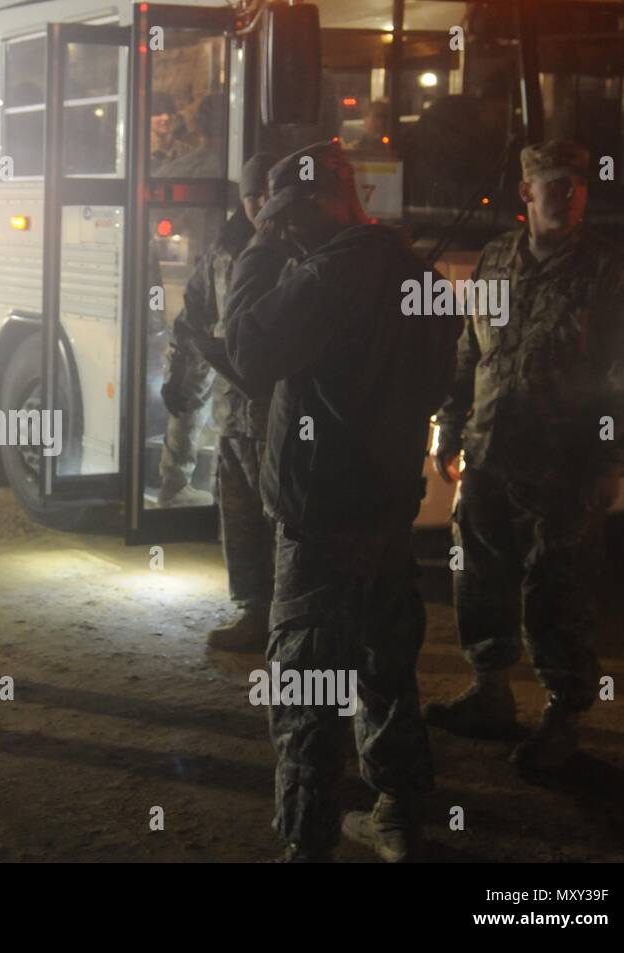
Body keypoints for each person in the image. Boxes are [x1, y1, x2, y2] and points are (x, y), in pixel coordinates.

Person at [181, 140, 462, 861]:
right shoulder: (409, 270)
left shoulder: (327, 275)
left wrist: (260, 250)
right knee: (386, 669)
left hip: (321, 520)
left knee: (308, 686)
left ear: (312, 205)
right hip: (388, 513)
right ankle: (398, 812)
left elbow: (248, 348)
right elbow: (438, 379)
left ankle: (306, 844)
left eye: (284, 215)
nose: (279, 227)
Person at [427, 140, 624, 774]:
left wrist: (613, 458)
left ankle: (563, 714)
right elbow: (471, 354)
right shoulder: (498, 257)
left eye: (577, 185)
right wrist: (450, 427)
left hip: (568, 463)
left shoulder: (609, 269)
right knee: (478, 572)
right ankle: (490, 691)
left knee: (560, 588)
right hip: (491, 450)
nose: (568, 195)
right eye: (553, 184)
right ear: (526, 193)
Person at [161, 152, 296, 650]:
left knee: (283, 520)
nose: (262, 203)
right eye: (253, 195)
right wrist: (184, 389)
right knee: (238, 515)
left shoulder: (297, 249)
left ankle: (287, 617)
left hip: (281, 415)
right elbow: (193, 323)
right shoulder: (222, 251)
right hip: (232, 413)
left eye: (268, 194)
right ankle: (253, 612)